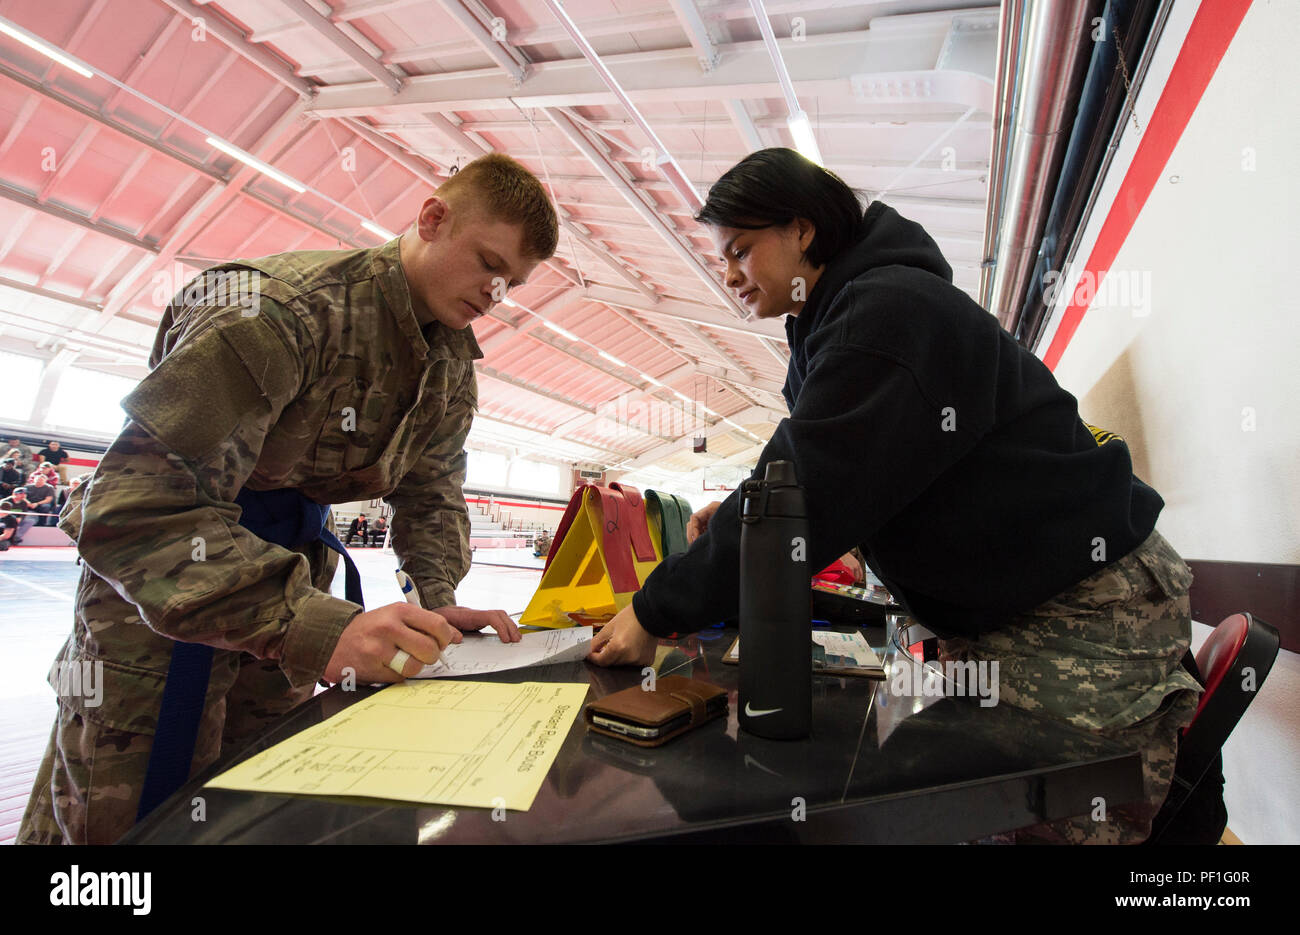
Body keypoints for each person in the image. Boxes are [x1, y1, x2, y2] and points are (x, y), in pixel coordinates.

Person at [588, 148, 1203, 845]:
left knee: (1025, 818)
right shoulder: (846, 320)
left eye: (741, 249)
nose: (728, 274)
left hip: (1084, 610)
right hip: (1025, 606)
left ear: (801, 230)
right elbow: (836, 474)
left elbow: (810, 485)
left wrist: (653, 608)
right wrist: (747, 505)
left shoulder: (884, 315)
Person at [20, 152, 558, 845]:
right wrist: (318, 626)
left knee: (254, 809)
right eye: (489, 262)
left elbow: (432, 489)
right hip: (160, 606)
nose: (494, 293)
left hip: (290, 594)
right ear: (432, 218)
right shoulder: (277, 312)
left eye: (510, 283)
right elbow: (128, 507)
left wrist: (436, 591)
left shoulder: (449, 363)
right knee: (124, 829)